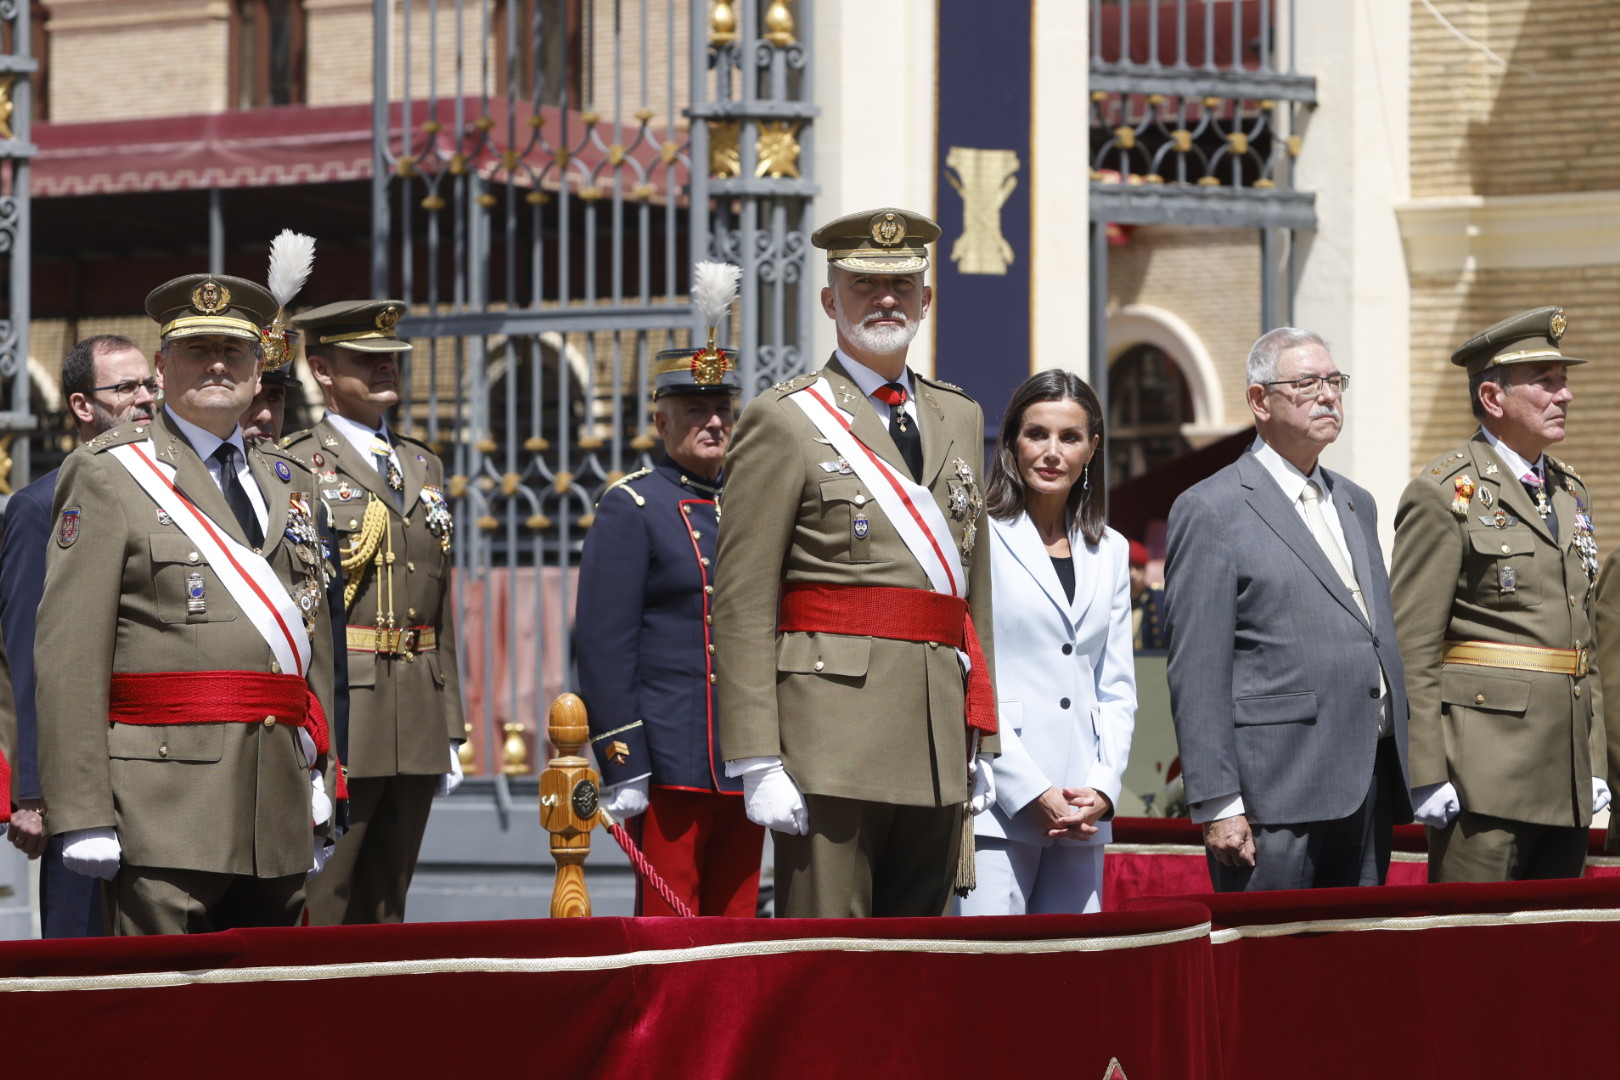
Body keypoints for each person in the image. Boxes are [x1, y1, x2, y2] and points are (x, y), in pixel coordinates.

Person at [712, 207, 998, 919]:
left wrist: (981, 733)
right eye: (864, 284)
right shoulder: (786, 419)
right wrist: (757, 758)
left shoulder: (958, 416)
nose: (886, 299)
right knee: (830, 972)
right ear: (829, 300)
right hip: (829, 738)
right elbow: (742, 597)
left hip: (936, 739)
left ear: (926, 300)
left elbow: (972, 587)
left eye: (902, 283)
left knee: (920, 973)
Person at [34, 274, 338, 935]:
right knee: (165, 1016)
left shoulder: (289, 479)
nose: (218, 366)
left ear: (260, 372)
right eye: (198, 351)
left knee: (268, 1013)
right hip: (164, 807)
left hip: (277, 801)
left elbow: (311, 640)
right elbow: (69, 656)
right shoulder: (111, 473)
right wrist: (83, 810)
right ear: (164, 368)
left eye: (234, 353)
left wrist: (323, 776)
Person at [1165, 327, 1411, 892]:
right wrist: (1219, 801)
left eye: (1333, 381)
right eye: (1306, 383)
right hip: (1275, 792)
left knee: (1352, 968)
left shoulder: (1355, 501)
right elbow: (1196, 668)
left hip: (1367, 778)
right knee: (1271, 970)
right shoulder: (1212, 508)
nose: (1327, 395)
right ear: (1259, 401)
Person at [1393, 307, 1605, 882]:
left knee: (1554, 956)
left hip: (1564, 773)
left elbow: (1583, 641)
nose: (1565, 395)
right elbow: (1412, 646)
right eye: (1546, 381)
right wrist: (1425, 771)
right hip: (1480, 775)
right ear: (1493, 397)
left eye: (1564, 380)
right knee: (1474, 955)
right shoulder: (1444, 494)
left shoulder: (1569, 492)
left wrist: (1595, 757)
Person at [285, 299, 464, 926]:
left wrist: (452, 722)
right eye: (368, 359)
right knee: (327, 892)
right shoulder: (297, 462)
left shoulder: (423, 462)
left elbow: (441, 601)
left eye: (393, 358)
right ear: (322, 369)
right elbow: (300, 606)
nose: (387, 368)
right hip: (346, 706)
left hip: (416, 702)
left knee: (391, 897)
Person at [575, 342, 764, 917]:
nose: (713, 422)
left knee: (740, 925)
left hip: (747, 754)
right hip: (672, 761)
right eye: (694, 411)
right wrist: (624, 761)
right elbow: (604, 647)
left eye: (722, 410)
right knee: (671, 925)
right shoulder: (632, 506)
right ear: (662, 422)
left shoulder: (753, 504)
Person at [958, 370, 1134, 916]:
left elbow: (1117, 686)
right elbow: (968, 673)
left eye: (1070, 437)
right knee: (994, 983)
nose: (1052, 452)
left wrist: (1102, 789)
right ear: (1012, 441)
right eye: (1037, 434)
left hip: (1083, 810)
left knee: (1071, 983)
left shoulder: (1112, 550)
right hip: (998, 801)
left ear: (1092, 447)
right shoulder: (977, 536)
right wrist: (1030, 789)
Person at [0, 334, 156, 936]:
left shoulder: (184, 495)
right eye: (125, 388)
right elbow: (29, 657)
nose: (144, 399)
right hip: (81, 780)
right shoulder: (41, 506)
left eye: (150, 385)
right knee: (84, 959)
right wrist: (34, 792)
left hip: (167, 770)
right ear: (83, 406)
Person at [1129, 540, 1166, 651]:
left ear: (1145, 570)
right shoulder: (1111, 602)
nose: (1133, 574)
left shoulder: (1160, 600)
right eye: (1128, 567)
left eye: (1138, 568)